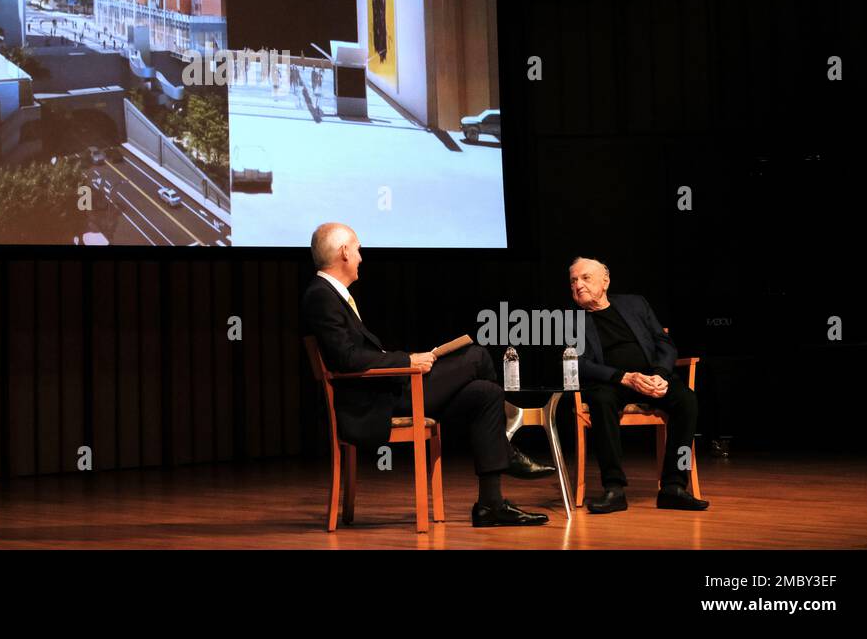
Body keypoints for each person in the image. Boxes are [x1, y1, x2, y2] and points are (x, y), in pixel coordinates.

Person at [301, 222, 553, 527]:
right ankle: (506, 450)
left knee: (486, 393)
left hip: (387, 391)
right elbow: (346, 358)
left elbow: (356, 354)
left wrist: (410, 360)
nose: (360, 257)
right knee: (476, 355)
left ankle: (490, 505)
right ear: (343, 252)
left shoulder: (332, 295)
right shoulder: (321, 295)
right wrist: (408, 359)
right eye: (357, 249)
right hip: (375, 403)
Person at [569, 256, 709, 513]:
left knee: (687, 400)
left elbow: (664, 343)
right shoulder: (571, 322)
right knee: (600, 400)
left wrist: (661, 375)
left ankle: (674, 486)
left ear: (605, 281)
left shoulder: (635, 304)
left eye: (585, 278)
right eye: (573, 281)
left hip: (652, 378)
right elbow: (578, 363)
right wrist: (624, 377)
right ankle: (614, 488)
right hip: (611, 383)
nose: (578, 285)